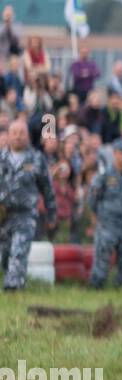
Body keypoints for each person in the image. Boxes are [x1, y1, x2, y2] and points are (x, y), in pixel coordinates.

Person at [0, 119, 56, 290]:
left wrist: (51, 214)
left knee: (19, 251)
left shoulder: (37, 159)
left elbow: (47, 189)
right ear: (8, 136)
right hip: (3, 216)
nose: (18, 137)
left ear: (28, 136)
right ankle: (15, 279)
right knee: (6, 253)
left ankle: (13, 288)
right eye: (14, 133)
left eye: (21, 133)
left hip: (25, 215)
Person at [87, 138, 122, 289]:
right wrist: (96, 217)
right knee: (102, 259)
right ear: (115, 153)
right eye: (121, 152)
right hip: (108, 224)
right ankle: (96, 287)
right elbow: (93, 197)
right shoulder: (105, 174)